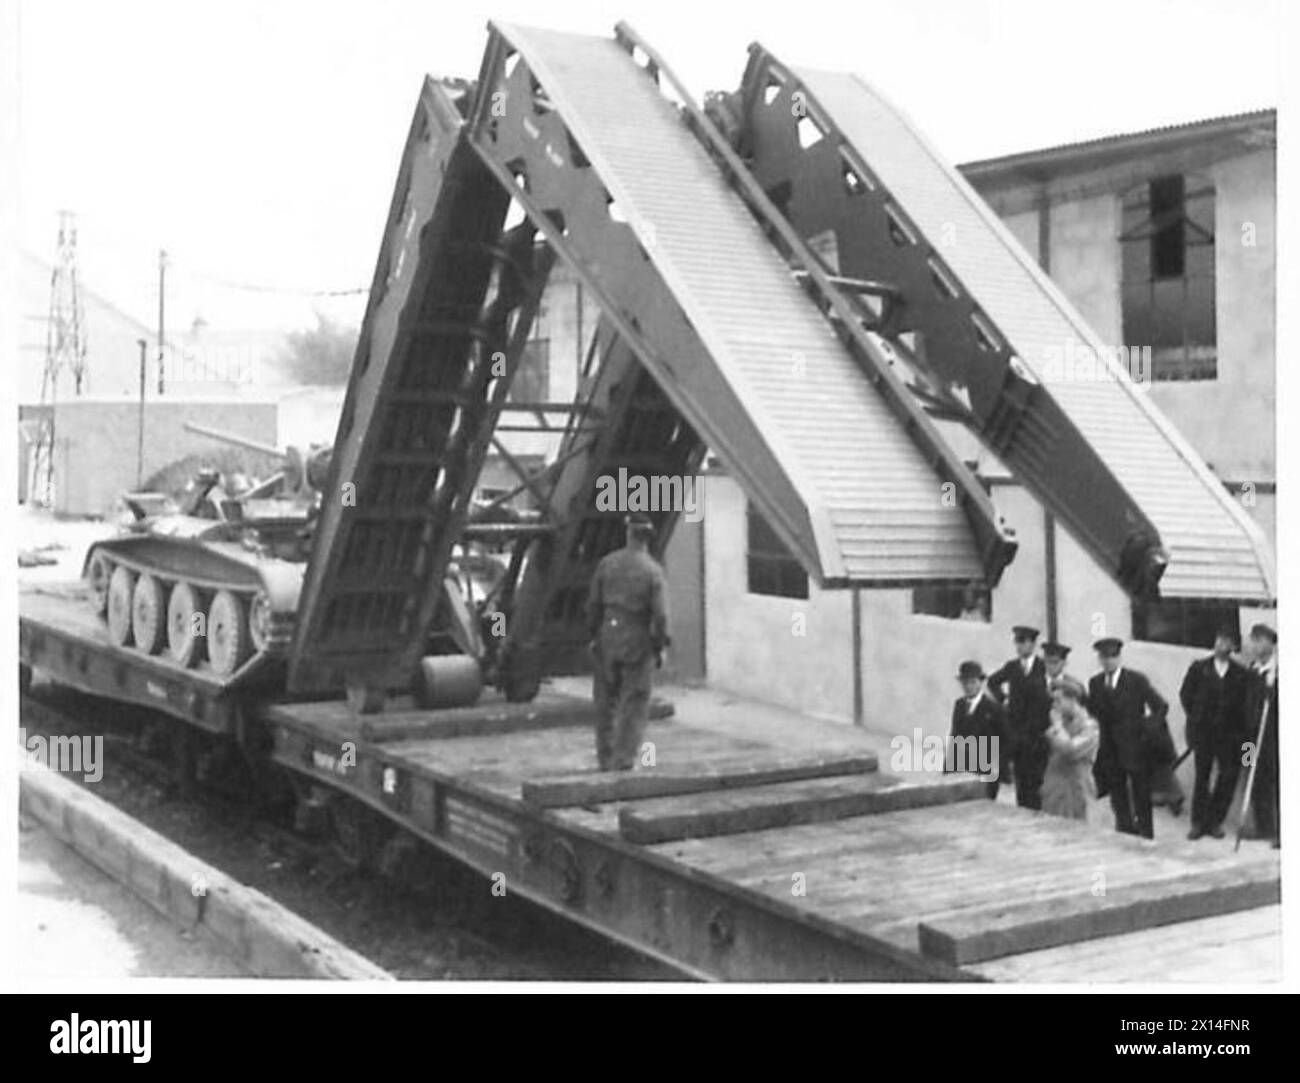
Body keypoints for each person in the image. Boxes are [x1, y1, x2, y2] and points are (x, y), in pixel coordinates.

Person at [584, 512, 670, 771]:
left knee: (605, 702)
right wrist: (659, 646)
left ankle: (604, 758)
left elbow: (593, 605)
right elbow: (661, 615)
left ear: (628, 533)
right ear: (648, 538)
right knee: (633, 703)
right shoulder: (653, 571)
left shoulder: (607, 564)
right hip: (637, 640)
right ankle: (622, 761)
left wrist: (594, 636)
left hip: (608, 636)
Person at [1088, 637, 1171, 839]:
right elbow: (1094, 711)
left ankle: (1146, 836)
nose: (1109, 661)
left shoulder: (1136, 680)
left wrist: (1145, 728)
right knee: (1118, 797)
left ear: (1119, 658)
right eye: (1105, 657)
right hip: (1110, 749)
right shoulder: (1096, 683)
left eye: (1113, 657)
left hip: (1135, 749)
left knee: (1142, 797)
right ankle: (1125, 833)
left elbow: (1160, 706)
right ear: (1100, 659)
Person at [1179, 627, 1250, 840]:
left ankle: (1215, 821)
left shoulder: (1240, 674)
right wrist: (1197, 719)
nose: (1221, 645)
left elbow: (1244, 705)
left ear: (1233, 647)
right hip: (1203, 733)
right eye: (1219, 640)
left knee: (1227, 777)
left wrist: (1243, 738)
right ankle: (1198, 823)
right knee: (1202, 777)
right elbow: (1186, 695)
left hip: (1229, 736)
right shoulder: (1199, 668)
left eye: (1227, 642)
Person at [988, 625, 1051, 809]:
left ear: (1032, 644)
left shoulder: (1042, 667)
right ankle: (1023, 811)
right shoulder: (1012, 667)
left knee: (1037, 779)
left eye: (1023, 642)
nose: (1020, 646)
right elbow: (993, 681)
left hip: (1038, 732)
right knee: (1021, 779)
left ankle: (1037, 814)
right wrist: (1004, 700)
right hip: (1017, 731)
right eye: (1017, 642)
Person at [1042, 677, 1100, 821]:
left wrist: (1058, 727)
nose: (1054, 706)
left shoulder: (1089, 727)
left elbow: (1070, 750)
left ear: (1072, 699)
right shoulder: (1060, 723)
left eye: (1058, 700)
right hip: (1054, 789)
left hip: (1077, 791)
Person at [947, 661, 1007, 799]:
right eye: (965, 683)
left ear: (980, 682)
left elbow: (1007, 740)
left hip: (985, 772)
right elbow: (955, 736)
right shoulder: (960, 705)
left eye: (972, 682)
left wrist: (997, 769)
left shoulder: (994, 709)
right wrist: (948, 769)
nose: (969, 687)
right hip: (962, 770)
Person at [1244, 623, 1279, 848]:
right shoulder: (1251, 670)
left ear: (1270, 643)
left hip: (1273, 738)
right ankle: (1262, 826)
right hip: (1249, 740)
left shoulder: (1278, 671)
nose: (1256, 646)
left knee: (1278, 782)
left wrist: (1272, 694)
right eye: (1253, 640)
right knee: (1253, 779)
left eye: (1260, 640)